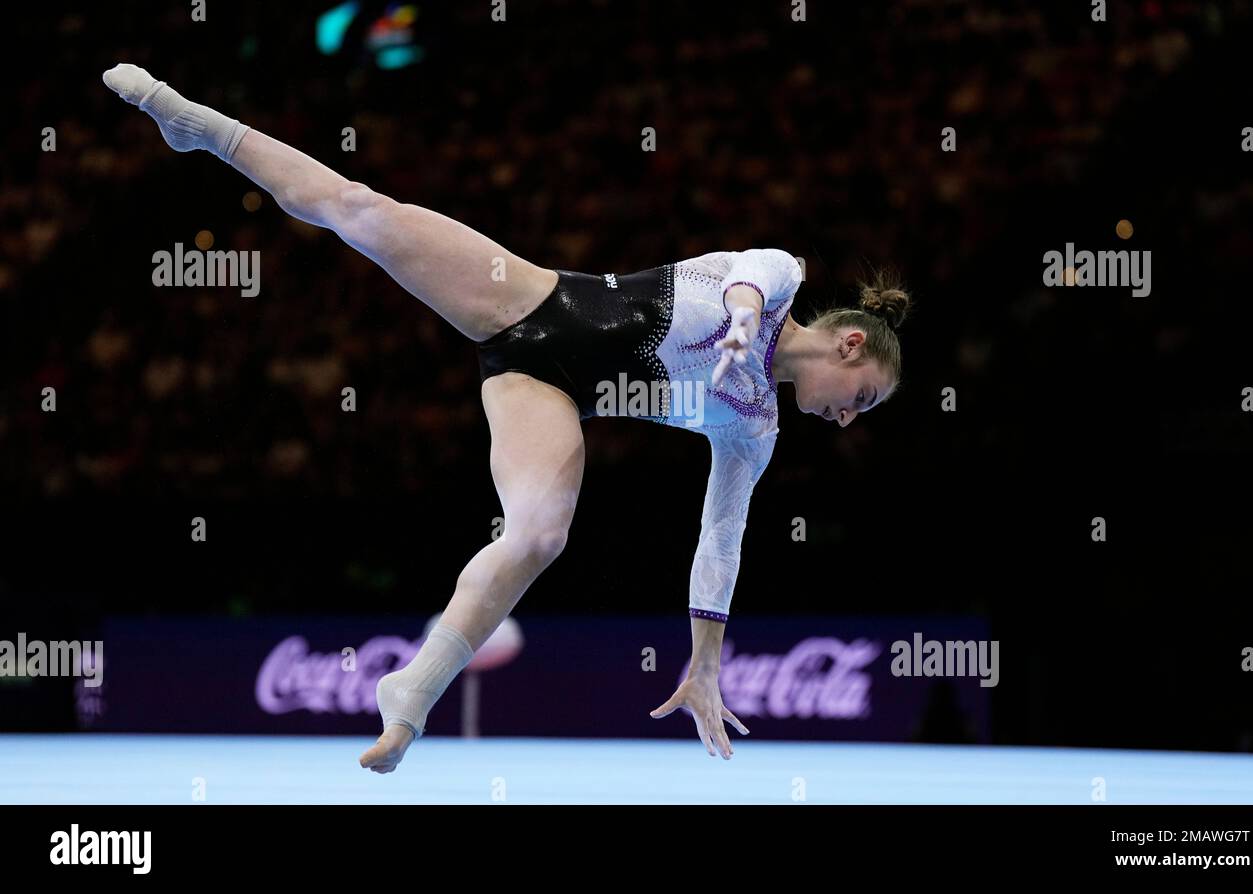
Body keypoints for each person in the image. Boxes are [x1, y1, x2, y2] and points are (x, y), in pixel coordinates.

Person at [102, 64, 909, 772]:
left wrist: (705, 664)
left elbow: (720, 542)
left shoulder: (755, 427)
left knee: (538, 536)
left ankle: (410, 693)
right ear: (847, 345)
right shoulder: (782, 279)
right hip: (524, 296)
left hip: (544, 389)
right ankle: (194, 123)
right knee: (359, 209)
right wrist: (738, 324)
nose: (847, 419)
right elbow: (751, 276)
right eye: (862, 397)